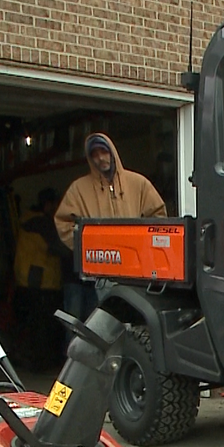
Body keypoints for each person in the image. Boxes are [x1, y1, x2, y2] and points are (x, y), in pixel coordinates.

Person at [54, 133, 166, 321]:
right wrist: (86, 247)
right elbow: (63, 222)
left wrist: (146, 250)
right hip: (101, 275)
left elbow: (159, 217)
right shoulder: (78, 189)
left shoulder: (138, 183)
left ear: (112, 152)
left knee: (136, 323)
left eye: (104, 152)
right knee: (105, 327)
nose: (100, 158)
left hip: (137, 273)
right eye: (95, 154)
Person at [12, 188, 65, 369]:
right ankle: (42, 364)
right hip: (41, 282)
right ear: (48, 204)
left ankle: (36, 361)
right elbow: (59, 248)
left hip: (29, 280)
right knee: (43, 327)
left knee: (33, 325)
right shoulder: (41, 223)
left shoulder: (29, 219)